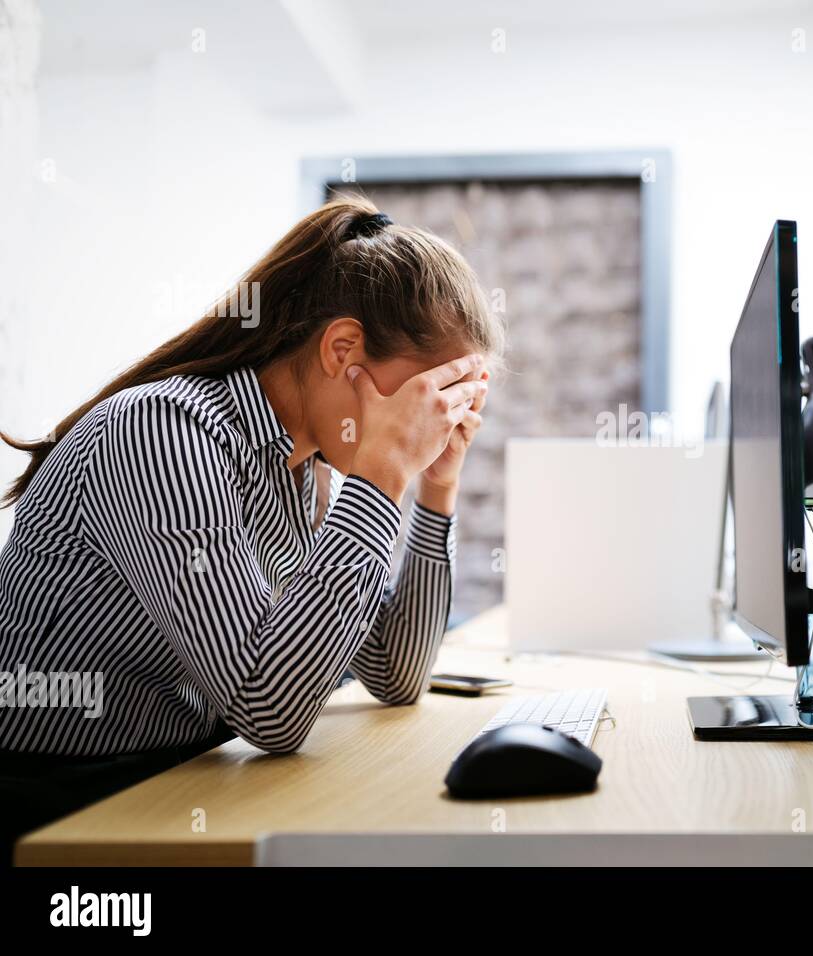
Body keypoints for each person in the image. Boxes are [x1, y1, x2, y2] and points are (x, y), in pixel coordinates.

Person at [0, 197, 503, 857]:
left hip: (184, 770)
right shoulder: (165, 433)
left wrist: (436, 486)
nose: (431, 420)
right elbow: (270, 710)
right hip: (61, 795)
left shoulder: (299, 470)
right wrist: (381, 476)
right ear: (342, 349)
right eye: (426, 396)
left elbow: (392, 670)